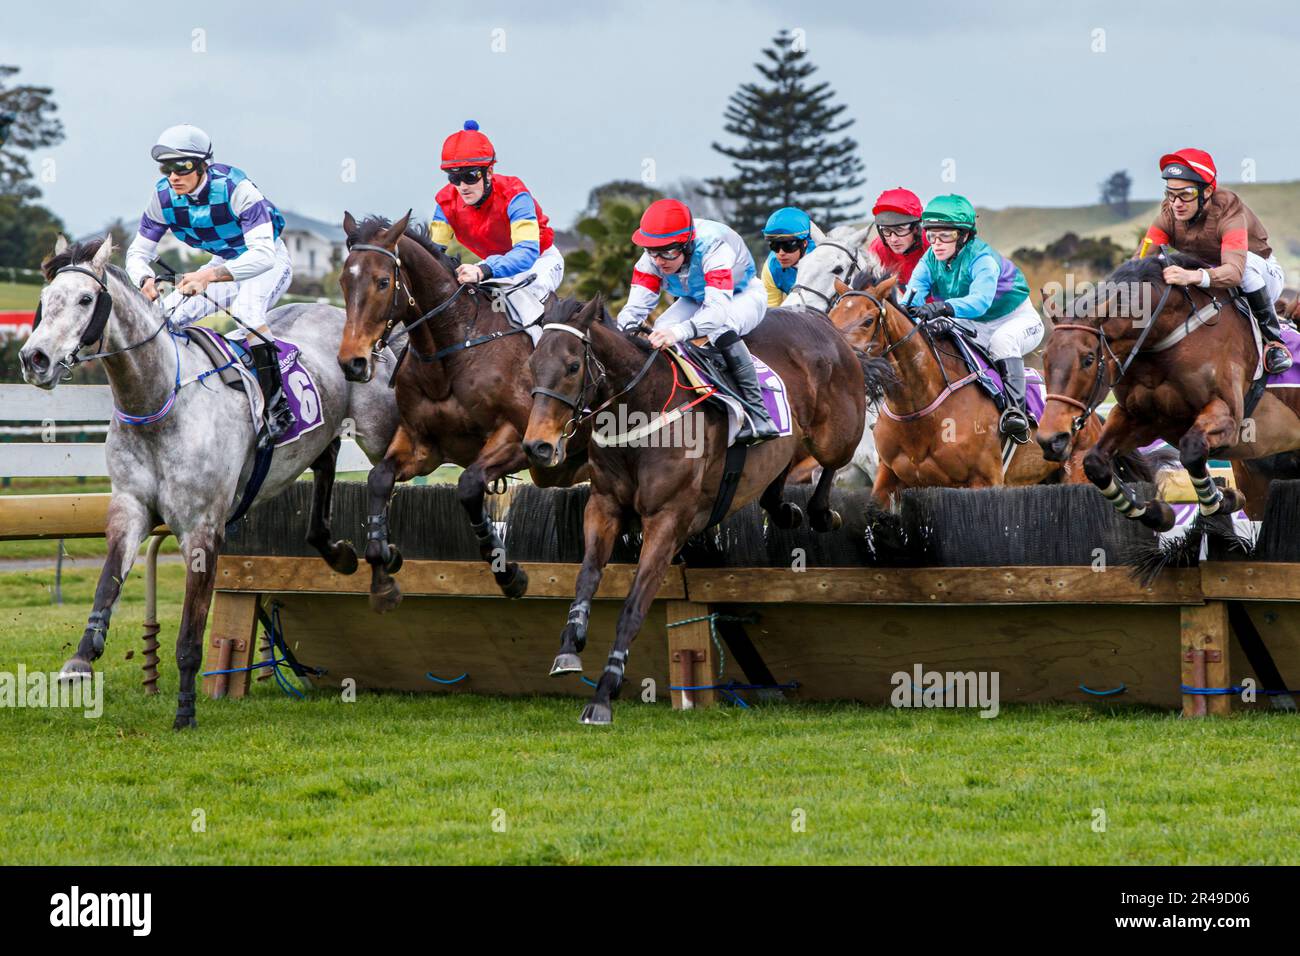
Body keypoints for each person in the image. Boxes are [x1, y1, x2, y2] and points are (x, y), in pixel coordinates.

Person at [124, 124, 295, 442]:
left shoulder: (237, 188)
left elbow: (262, 256)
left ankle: (276, 408)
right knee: (164, 315)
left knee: (247, 312)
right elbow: (137, 253)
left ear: (204, 164)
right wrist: (144, 278)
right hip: (221, 263)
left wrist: (207, 276)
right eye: (166, 168)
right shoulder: (162, 198)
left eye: (182, 166)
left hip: (265, 260)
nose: (173, 176)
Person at [617, 198, 778, 442]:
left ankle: (759, 414)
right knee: (661, 327)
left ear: (687, 245)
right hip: (695, 298)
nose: (659, 260)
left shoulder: (714, 247)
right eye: (652, 251)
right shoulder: (650, 260)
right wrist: (620, 334)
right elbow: (634, 309)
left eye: (667, 252)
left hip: (741, 294)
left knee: (719, 328)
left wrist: (678, 333)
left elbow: (716, 312)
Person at [901, 194, 1043, 443]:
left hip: (1015, 320)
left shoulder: (982, 259)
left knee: (1002, 341)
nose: (937, 243)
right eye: (931, 235)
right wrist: (903, 314)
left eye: (946, 235)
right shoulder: (929, 259)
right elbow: (912, 296)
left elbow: (980, 302)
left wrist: (941, 308)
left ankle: (1015, 413)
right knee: (934, 332)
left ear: (964, 235)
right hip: (974, 323)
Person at [1139, 147, 1291, 374]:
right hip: (1212, 274)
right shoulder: (1168, 216)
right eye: (1170, 193)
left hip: (1259, 275)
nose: (1177, 203)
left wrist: (1190, 276)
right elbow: (1138, 263)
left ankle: (1274, 342)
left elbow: (1235, 272)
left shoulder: (1230, 212)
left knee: (1246, 263)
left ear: (1208, 191)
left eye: (1186, 194)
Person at [428, 120, 564, 298]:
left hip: (539, 261)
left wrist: (484, 269)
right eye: (454, 178)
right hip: (492, 265)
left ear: (489, 172)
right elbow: (432, 254)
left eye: (470, 176)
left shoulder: (515, 195)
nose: (462, 187)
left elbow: (526, 253)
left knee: (527, 295)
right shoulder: (446, 202)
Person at [868, 187, 929, 284]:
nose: (893, 239)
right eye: (886, 230)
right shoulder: (877, 250)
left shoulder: (933, 245)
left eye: (899, 230)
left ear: (916, 229)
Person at [760, 206, 815, 306]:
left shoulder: (822, 260)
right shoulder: (771, 269)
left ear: (805, 243)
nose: (781, 253)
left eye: (788, 246)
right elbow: (772, 312)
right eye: (774, 246)